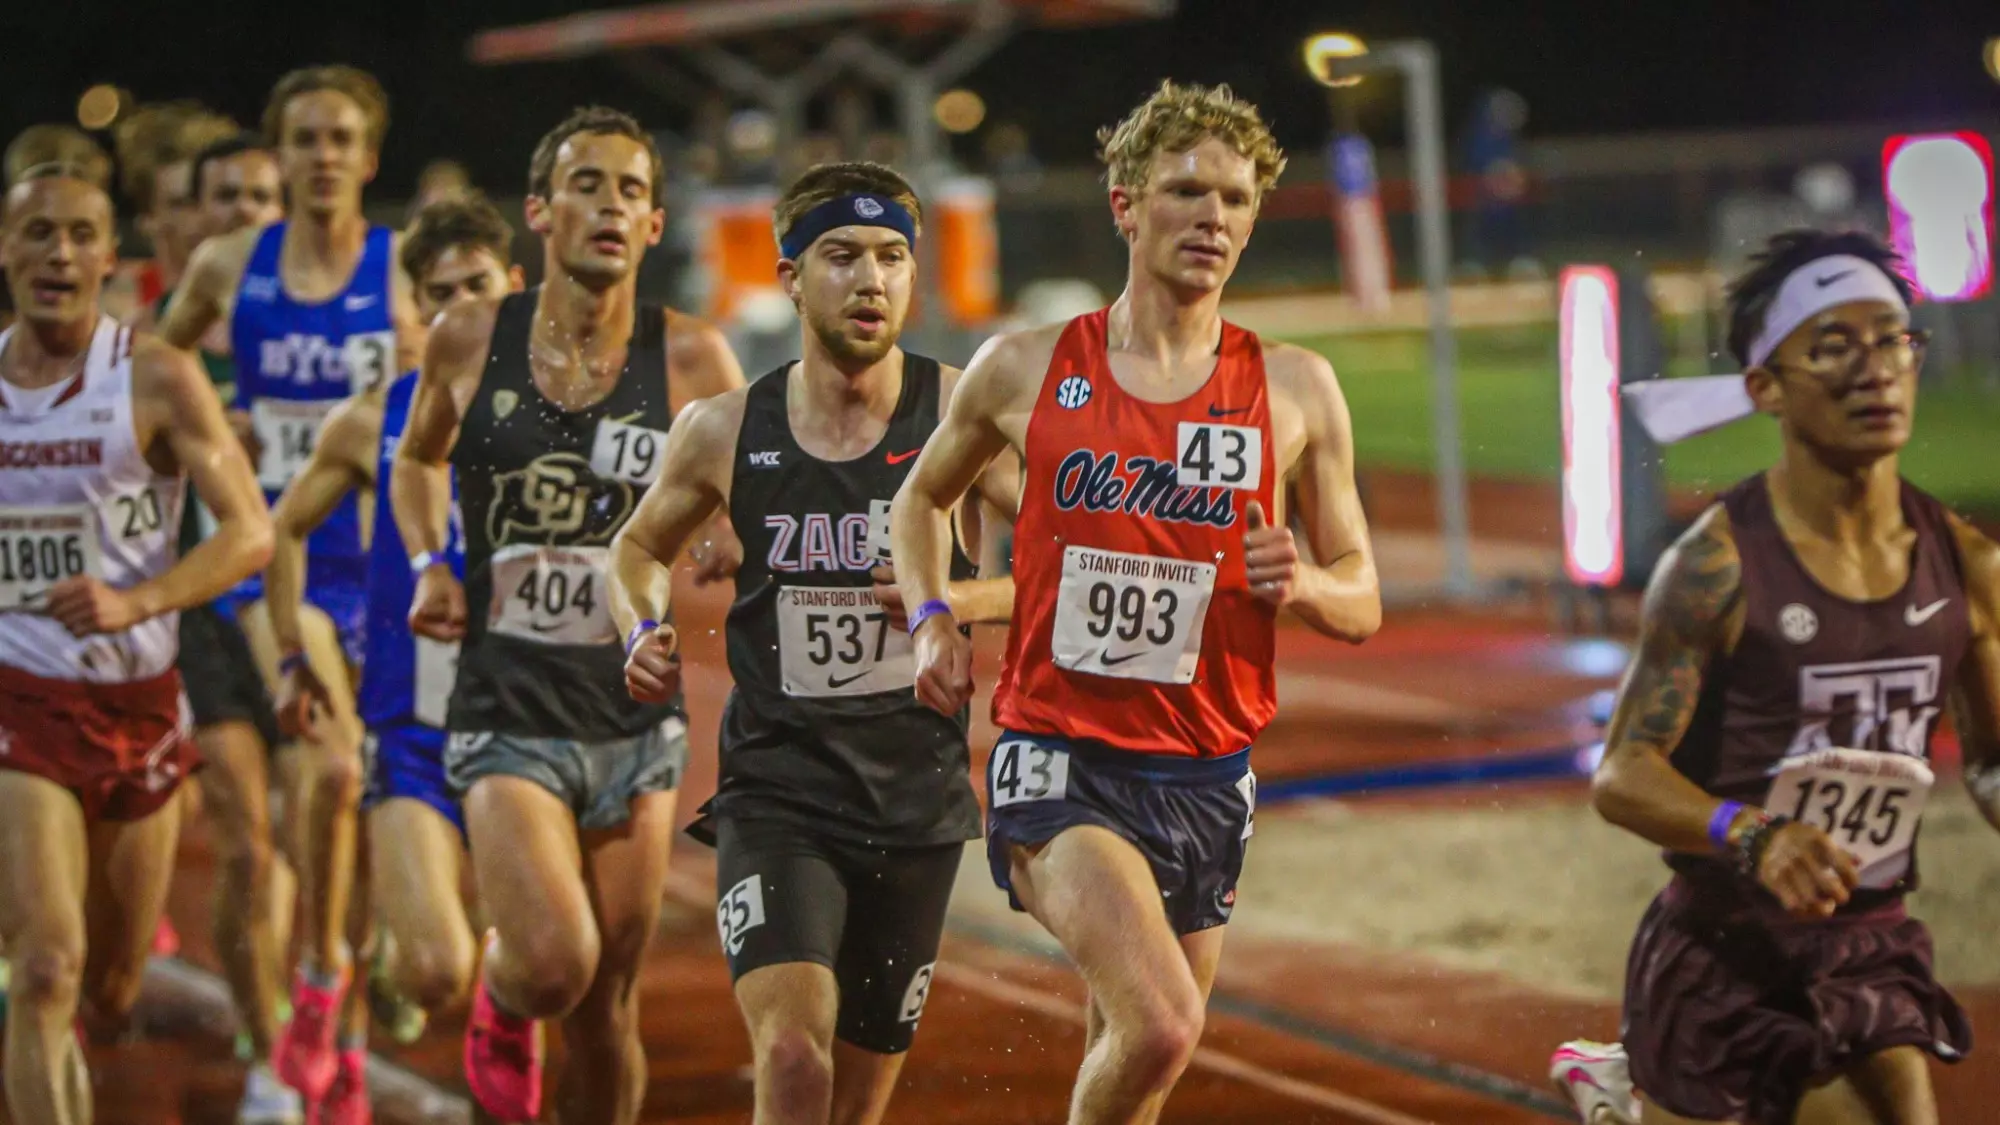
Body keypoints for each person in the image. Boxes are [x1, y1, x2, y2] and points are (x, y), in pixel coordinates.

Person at [888, 80, 1381, 1125]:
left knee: (1136, 1057)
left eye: (1237, 200)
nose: (1214, 218)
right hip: (1061, 762)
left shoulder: (1293, 389)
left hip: (1207, 772)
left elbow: (1362, 599)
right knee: (1160, 1023)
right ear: (1123, 204)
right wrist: (931, 619)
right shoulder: (1024, 368)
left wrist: (1299, 583)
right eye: (1186, 191)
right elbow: (919, 499)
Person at [1555, 229, 2000, 1125]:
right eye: (1833, 347)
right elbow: (1622, 773)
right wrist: (1753, 833)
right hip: (1727, 946)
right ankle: (1625, 1097)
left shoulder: (1969, 565)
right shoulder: (1715, 567)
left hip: (1870, 939)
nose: (1873, 370)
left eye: (1892, 341)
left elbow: (1992, 762)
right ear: (1765, 387)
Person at [607, 161, 1017, 1125]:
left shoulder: (962, 415)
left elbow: (1066, 560)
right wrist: (640, 624)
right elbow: (633, 546)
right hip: (778, 791)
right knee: (793, 1058)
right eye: (841, 257)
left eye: (892, 258)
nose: (871, 280)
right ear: (790, 277)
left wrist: (953, 597)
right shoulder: (723, 428)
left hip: (914, 800)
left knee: (856, 1101)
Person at [392, 105, 744, 1125]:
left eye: (631, 191)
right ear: (541, 213)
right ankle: (503, 1000)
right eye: (588, 184)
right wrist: (431, 563)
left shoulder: (692, 361)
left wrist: (726, 531)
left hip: (633, 721)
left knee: (605, 1007)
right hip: (506, 707)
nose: (611, 205)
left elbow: (752, 495)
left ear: (652, 225)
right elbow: (416, 459)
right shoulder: (468, 338)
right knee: (554, 966)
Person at [160, 64, 422, 1105]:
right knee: (331, 775)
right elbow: (155, 372)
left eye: (339, 139)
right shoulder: (232, 263)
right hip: (283, 568)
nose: (321, 157)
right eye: (303, 138)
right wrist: (206, 433)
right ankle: (302, 1014)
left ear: (367, 157)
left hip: (386, 575)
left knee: (350, 818)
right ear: (282, 152)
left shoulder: (401, 274)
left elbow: (451, 397)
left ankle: (341, 1027)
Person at [0, 154, 272, 1125]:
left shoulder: (154, 375)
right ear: (5, 250)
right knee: (42, 967)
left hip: (138, 709)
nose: (58, 253)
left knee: (108, 993)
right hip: (20, 708)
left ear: (111, 256)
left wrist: (139, 599)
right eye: (37, 232)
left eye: (79, 234)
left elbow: (250, 530)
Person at [265, 191, 521, 1122]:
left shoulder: (563, 409)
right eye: (438, 292)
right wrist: (294, 652)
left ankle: (500, 1008)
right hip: (411, 725)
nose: (459, 307)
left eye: (478, 287)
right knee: (436, 967)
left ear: (515, 288)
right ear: (412, 307)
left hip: (533, 726)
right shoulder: (376, 419)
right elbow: (283, 528)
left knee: (551, 959)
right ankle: (336, 981)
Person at [169, 128, 302, 1125]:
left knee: (310, 838)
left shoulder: (312, 332)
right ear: (195, 215)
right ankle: (268, 1052)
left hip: (313, 613)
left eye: (264, 198)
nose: (245, 214)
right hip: (209, 617)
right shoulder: (156, 354)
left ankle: (316, 998)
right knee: (249, 847)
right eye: (228, 198)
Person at [111, 103, 239, 334]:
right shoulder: (118, 310)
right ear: (147, 218)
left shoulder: (264, 297)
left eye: (215, 198)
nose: (203, 217)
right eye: (183, 204)